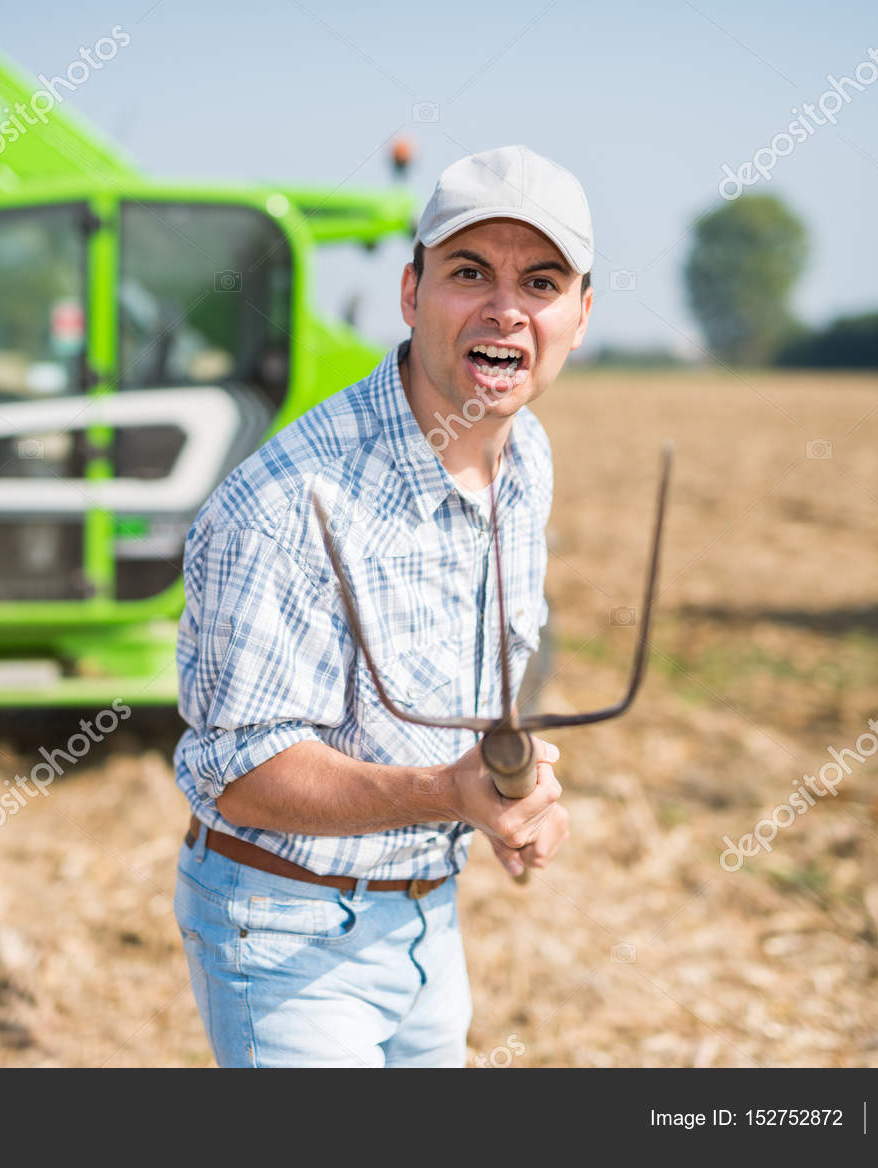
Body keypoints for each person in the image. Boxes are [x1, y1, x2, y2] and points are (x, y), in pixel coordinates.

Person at [172, 145, 595, 1067]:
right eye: (469, 272)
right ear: (410, 293)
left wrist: (515, 803)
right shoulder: (284, 506)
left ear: (581, 314)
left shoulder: (527, 466)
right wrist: (448, 794)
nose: (506, 309)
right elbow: (239, 772)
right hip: (285, 932)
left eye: (542, 281)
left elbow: (476, 702)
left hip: (425, 917)